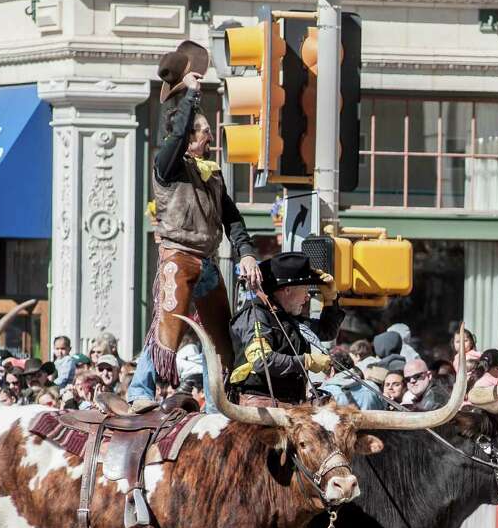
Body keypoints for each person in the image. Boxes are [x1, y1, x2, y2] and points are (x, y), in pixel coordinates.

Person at [131, 41, 261, 404]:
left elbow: (231, 218)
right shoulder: (169, 165)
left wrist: (247, 253)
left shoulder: (213, 174)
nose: (208, 137)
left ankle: (217, 403)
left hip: (206, 259)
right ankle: (140, 390)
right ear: (190, 139)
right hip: (178, 255)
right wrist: (189, 95)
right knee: (168, 326)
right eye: (203, 132)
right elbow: (174, 135)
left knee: (221, 337)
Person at [227, 252, 342, 406]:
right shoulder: (257, 315)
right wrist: (306, 361)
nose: (307, 296)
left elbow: (327, 331)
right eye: (305, 289)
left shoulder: (289, 318)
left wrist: (331, 300)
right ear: (288, 290)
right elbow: (262, 361)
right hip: (261, 409)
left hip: (291, 406)